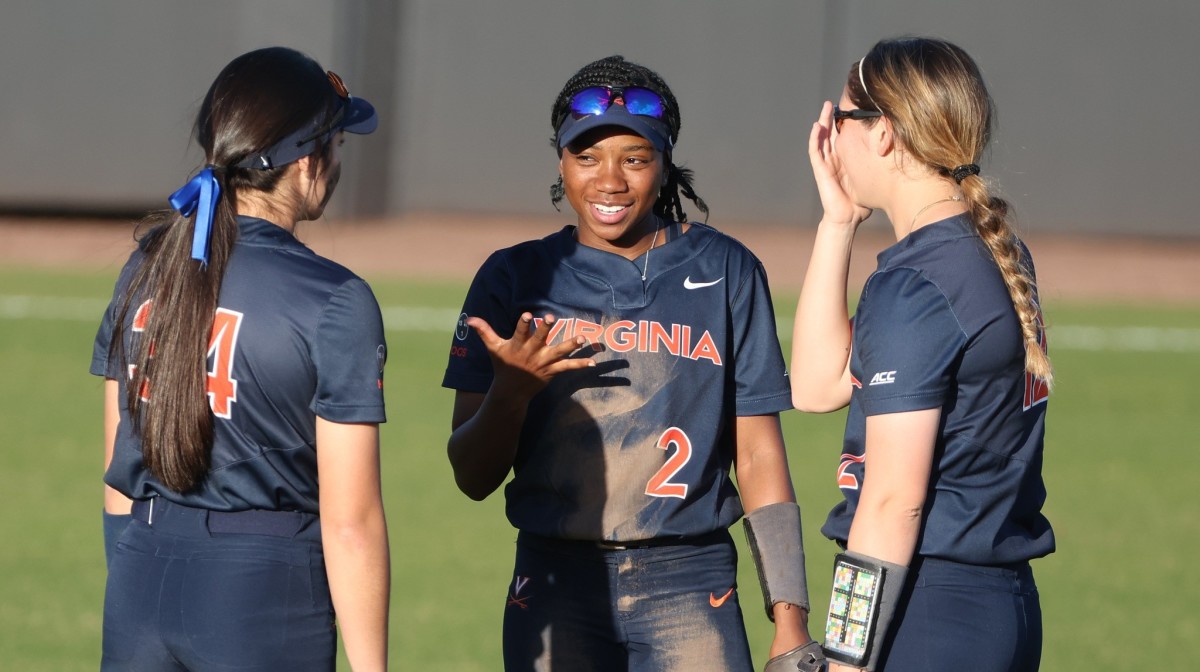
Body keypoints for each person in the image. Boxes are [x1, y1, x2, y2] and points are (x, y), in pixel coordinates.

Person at [442, 55, 824, 672]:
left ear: (665, 161)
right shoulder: (513, 277)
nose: (610, 181)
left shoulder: (726, 269)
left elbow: (756, 453)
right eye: (587, 157)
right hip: (556, 576)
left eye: (635, 158)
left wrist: (791, 618)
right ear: (560, 162)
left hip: (691, 574)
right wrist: (509, 395)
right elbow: (471, 477)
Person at [92, 47, 390, 672]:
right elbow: (351, 521)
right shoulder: (335, 300)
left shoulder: (147, 262)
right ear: (306, 163)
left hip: (139, 573)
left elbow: (117, 460)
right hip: (261, 593)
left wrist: (134, 576)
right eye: (336, 144)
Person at [790, 38, 1055, 671]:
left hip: (929, 610)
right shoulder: (991, 249)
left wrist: (845, 655)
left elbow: (891, 502)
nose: (830, 139)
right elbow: (816, 385)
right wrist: (837, 223)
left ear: (882, 133)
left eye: (844, 119)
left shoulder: (917, 282)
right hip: (994, 603)